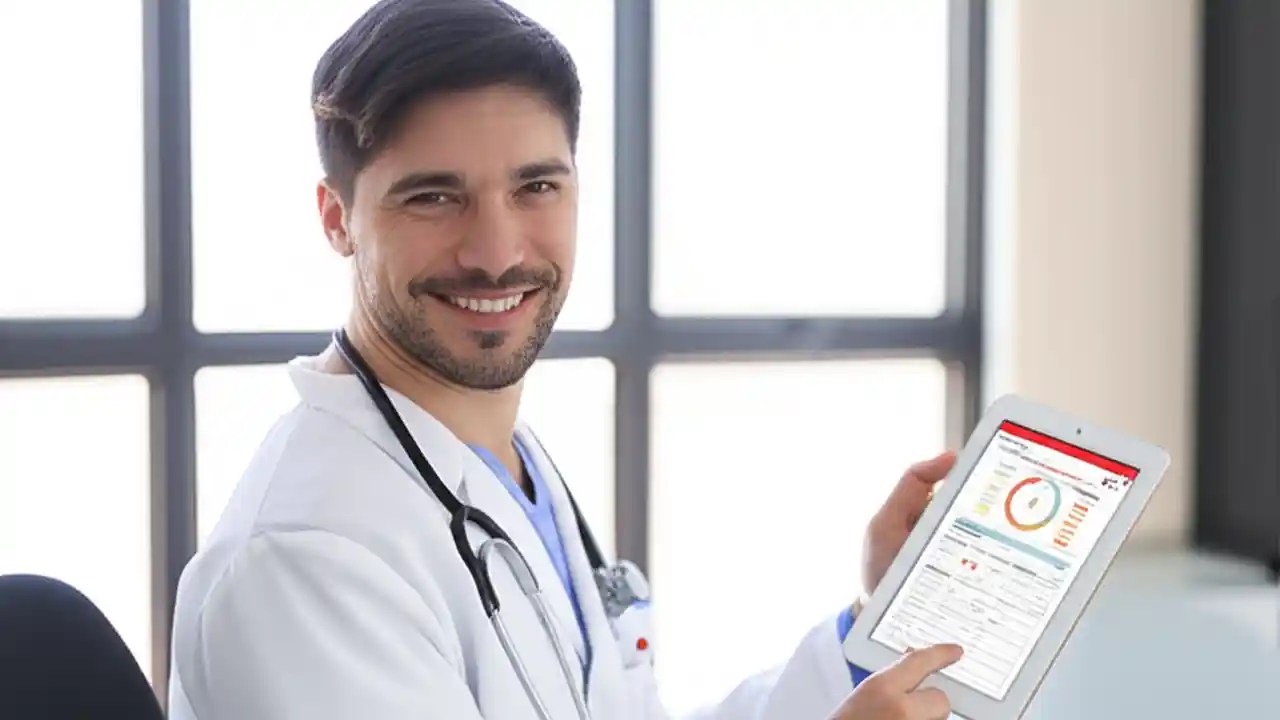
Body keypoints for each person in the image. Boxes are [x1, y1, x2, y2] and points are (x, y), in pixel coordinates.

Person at [166, 1, 963, 718]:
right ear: (337, 218)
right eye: (434, 197)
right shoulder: (303, 562)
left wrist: (873, 630)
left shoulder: (491, 469)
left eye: (535, 186)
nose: (495, 252)